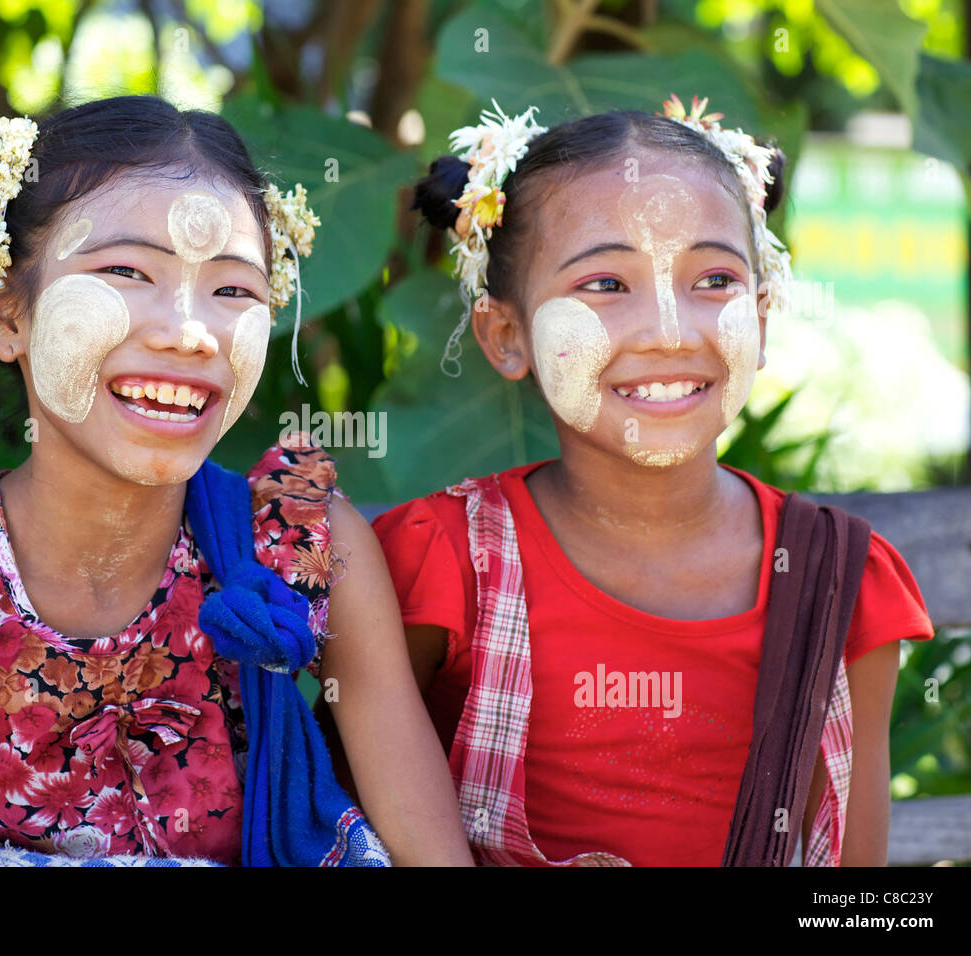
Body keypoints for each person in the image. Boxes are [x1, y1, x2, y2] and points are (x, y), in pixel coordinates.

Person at [0, 94, 471, 867]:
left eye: (233, 290)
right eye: (125, 271)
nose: (188, 333)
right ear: (7, 315)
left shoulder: (303, 547)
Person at [371, 95, 934, 866]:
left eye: (713, 279)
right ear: (507, 335)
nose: (670, 330)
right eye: (606, 284)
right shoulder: (439, 562)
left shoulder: (841, 581)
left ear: (762, 319)